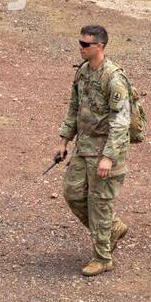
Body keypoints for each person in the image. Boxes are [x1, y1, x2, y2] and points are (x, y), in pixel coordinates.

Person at [57, 26, 133, 276]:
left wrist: (108, 157)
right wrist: (64, 140)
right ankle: (112, 228)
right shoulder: (83, 72)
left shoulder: (113, 78)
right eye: (80, 42)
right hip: (84, 147)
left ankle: (102, 258)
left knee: (99, 203)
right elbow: (74, 106)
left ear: (99, 46)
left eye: (85, 44)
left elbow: (121, 121)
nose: (80, 47)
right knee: (73, 193)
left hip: (106, 151)